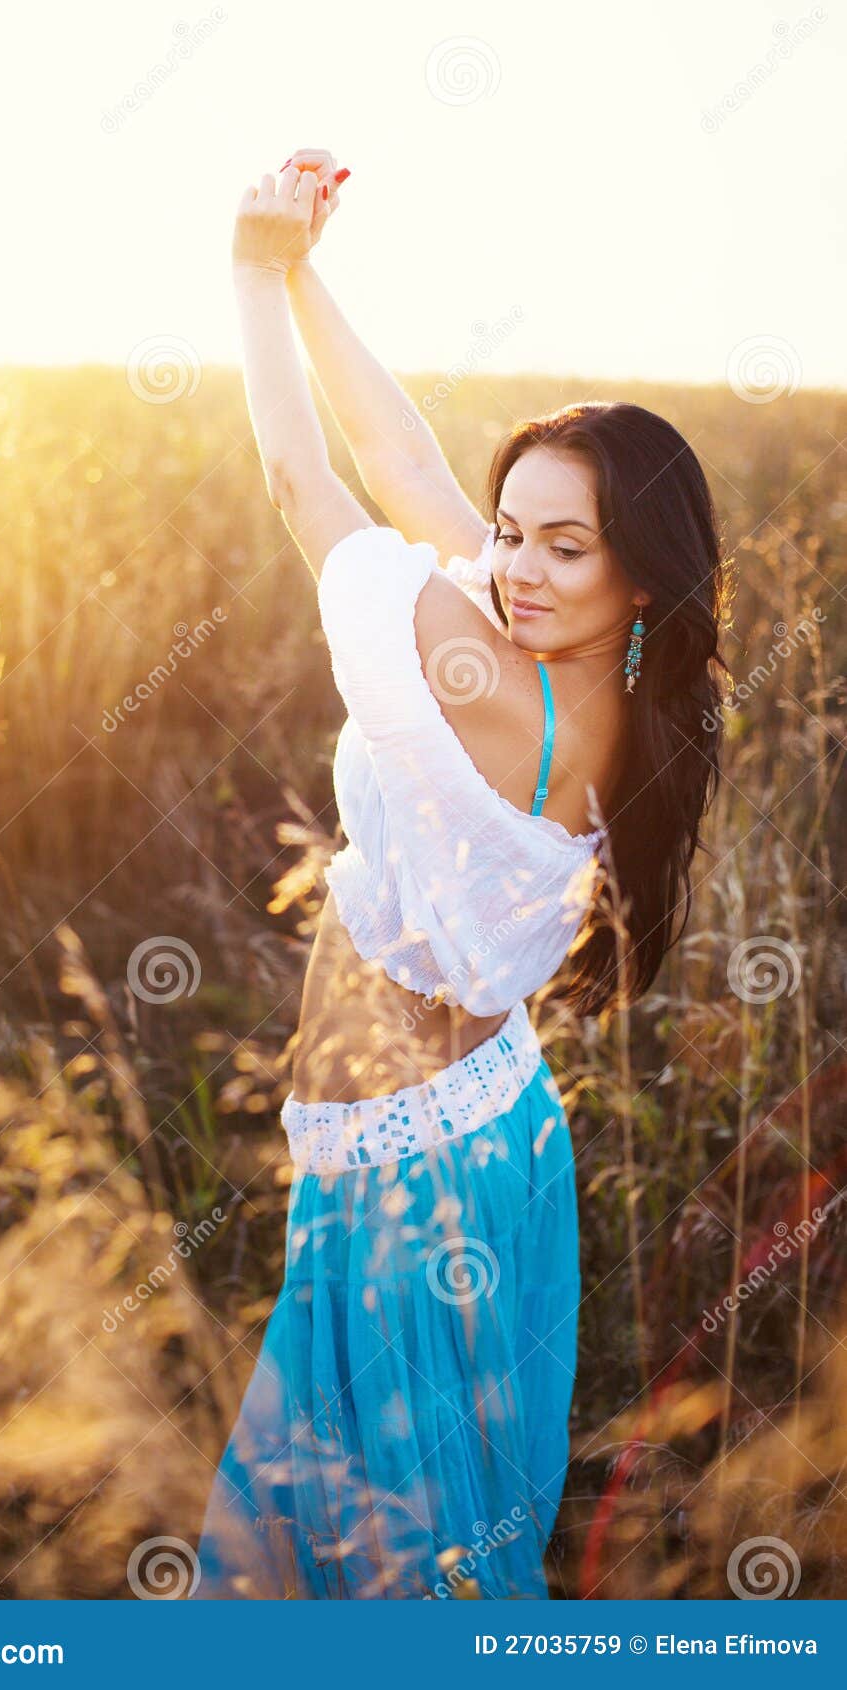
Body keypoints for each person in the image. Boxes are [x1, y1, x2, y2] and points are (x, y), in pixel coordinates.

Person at [188, 150, 729, 1600]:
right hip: (483, 1134)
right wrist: (306, 272)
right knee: (400, 1549)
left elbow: (311, 482)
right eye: (516, 532)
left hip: (414, 1186)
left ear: (640, 574)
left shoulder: (488, 674)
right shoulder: (616, 690)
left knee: (380, 1570)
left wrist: (246, 273)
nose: (523, 566)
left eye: (570, 544)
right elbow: (419, 476)